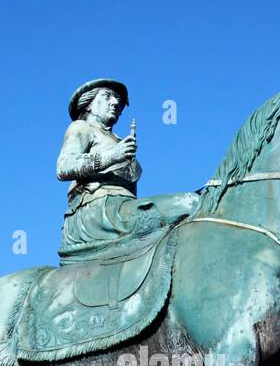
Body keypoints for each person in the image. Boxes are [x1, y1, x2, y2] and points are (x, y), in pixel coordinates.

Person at [56, 78, 197, 260]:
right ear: (88, 104)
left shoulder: (117, 140)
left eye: (118, 101)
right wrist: (112, 156)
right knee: (189, 203)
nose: (115, 103)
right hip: (97, 211)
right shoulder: (81, 127)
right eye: (107, 96)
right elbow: (63, 167)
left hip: (122, 208)